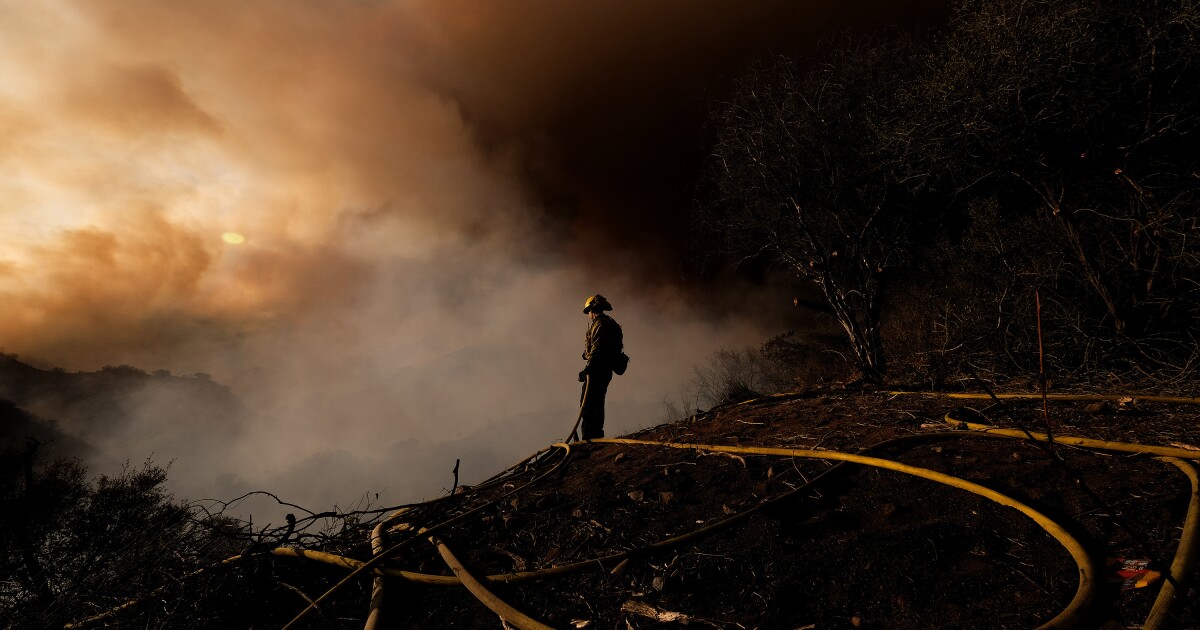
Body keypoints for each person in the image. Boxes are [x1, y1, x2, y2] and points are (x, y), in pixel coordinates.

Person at [578, 294, 623, 440]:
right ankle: (594, 436)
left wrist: (588, 369)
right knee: (596, 403)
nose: (588, 315)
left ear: (593, 309)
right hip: (603, 369)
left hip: (598, 369)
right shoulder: (606, 323)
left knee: (588, 405)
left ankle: (590, 438)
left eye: (589, 312)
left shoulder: (601, 325)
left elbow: (598, 350)